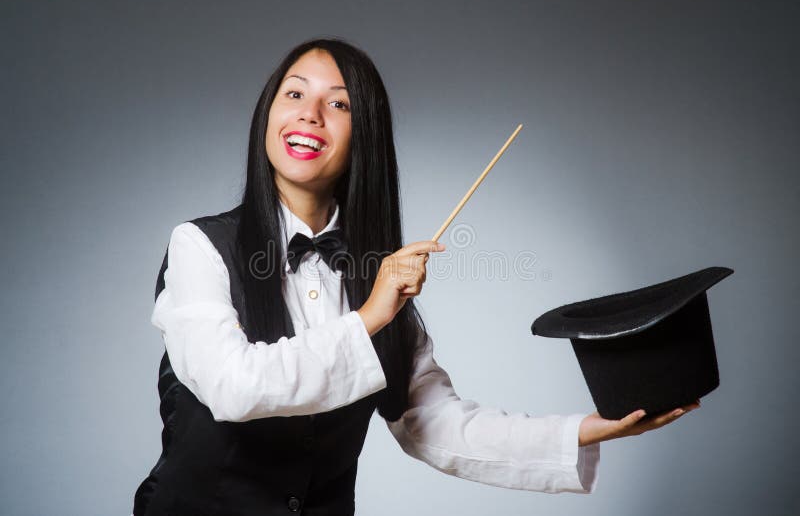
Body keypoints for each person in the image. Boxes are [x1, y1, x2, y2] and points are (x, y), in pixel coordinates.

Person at [132, 37, 700, 516]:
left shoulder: (375, 280)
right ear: (268, 113)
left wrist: (587, 429)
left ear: (365, 136)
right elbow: (232, 385)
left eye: (339, 103)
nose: (310, 113)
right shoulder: (199, 247)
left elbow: (435, 424)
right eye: (295, 93)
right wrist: (369, 318)